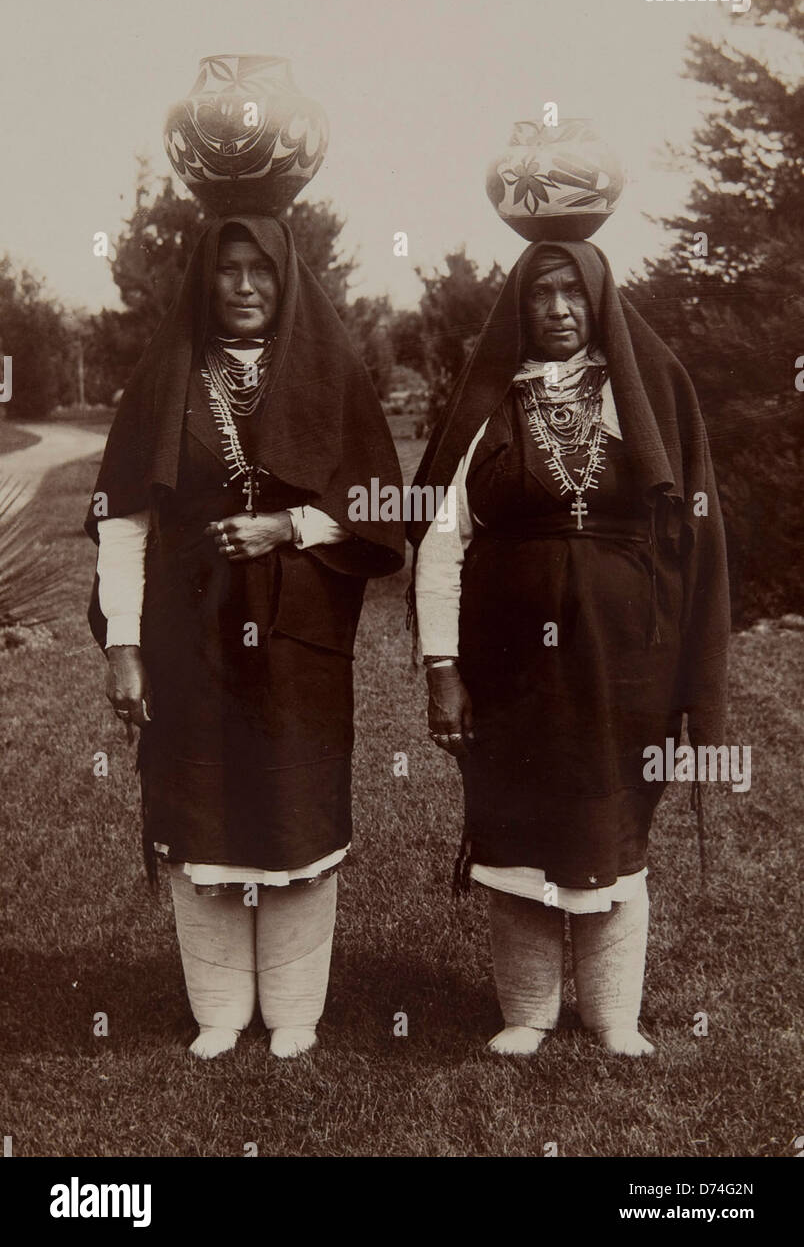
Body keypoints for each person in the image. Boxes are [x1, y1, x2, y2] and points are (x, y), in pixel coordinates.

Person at [86, 216, 404, 1059]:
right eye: (226, 270)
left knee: (293, 803)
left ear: (286, 278)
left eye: (260, 269)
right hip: (191, 633)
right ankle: (220, 1010)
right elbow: (122, 519)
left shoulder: (330, 371)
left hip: (300, 637)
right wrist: (124, 645)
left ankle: (295, 1010)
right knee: (203, 805)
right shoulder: (167, 377)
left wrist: (289, 527)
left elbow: (377, 510)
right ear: (205, 280)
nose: (244, 286)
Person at [410, 241, 729, 1057]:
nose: (556, 309)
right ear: (517, 312)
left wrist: (697, 678)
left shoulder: (645, 396)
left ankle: (613, 1017)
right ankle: (526, 1013)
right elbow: (443, 546)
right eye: (540, 295)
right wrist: (443, 668)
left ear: (600, 307)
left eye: (572, 295)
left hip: (627, 664)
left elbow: (696, 540)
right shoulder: (489, 408)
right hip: (510, 667)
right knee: (518, 819)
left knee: (612, 817)